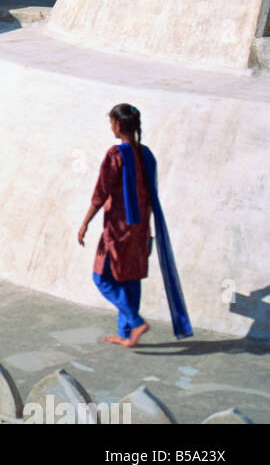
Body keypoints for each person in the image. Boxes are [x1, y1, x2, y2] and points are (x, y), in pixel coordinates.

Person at [77, 103, 192, 347]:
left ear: (118, 126)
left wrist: (85, 222)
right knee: (130, 280)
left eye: (111, 123)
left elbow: (100, 193)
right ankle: (126, 334)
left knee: (102, 279)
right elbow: (150, 196)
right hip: (140, 229)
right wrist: (148, 231)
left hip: (117, 230)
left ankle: (135, 321)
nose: (111, 128)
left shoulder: (115, 156)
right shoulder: (146, 155)